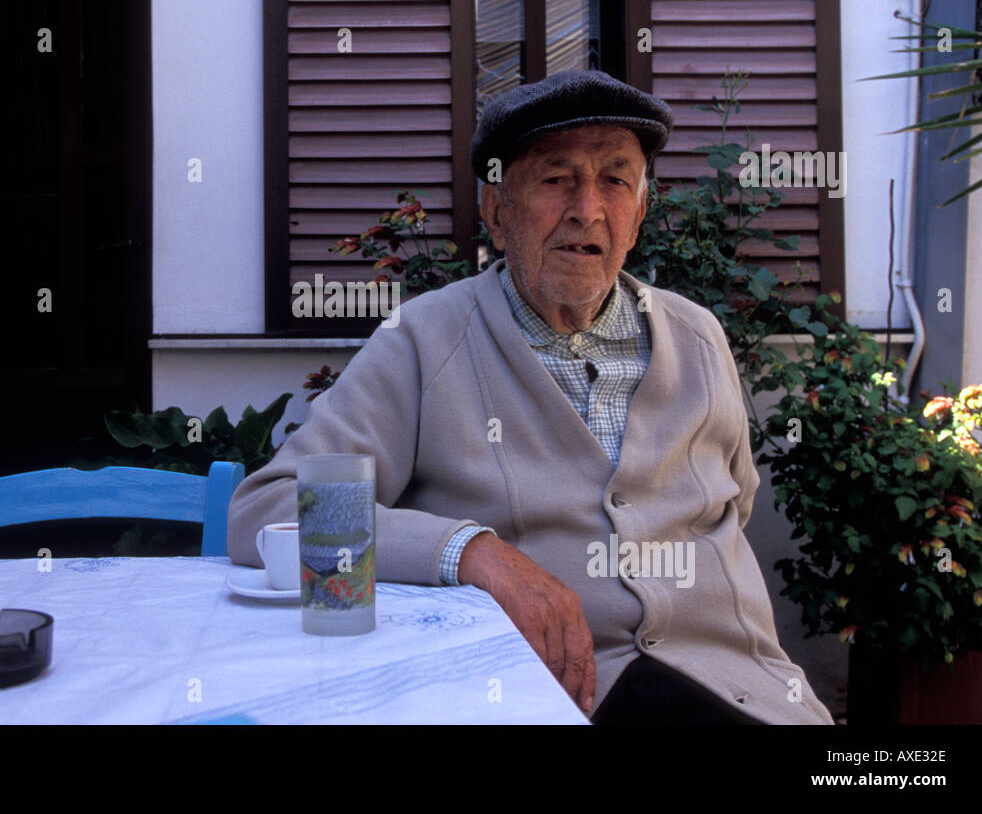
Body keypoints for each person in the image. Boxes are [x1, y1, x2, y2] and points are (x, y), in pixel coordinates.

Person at [228, 70, 834, 725]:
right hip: (536, 700)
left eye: (615, 180)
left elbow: (734, 506)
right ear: (496, 208)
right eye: (555, 178)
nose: (587, 209)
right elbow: (270, 513)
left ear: (639, 212)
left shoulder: (697, 336)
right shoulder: (427, 343)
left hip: (744, 696)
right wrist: (472, 552)